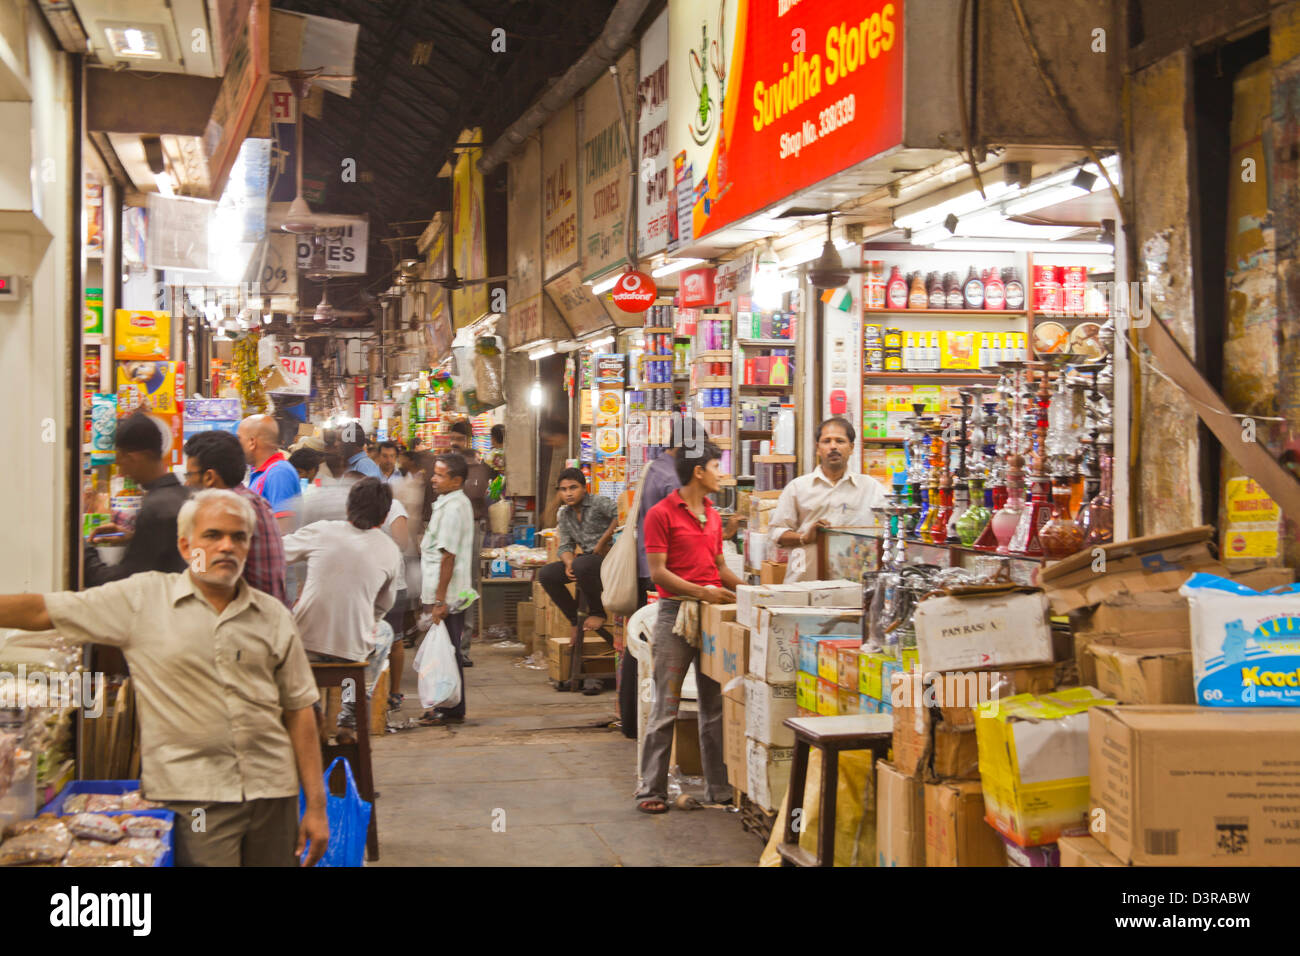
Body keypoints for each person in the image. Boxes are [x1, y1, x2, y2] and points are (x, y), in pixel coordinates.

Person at [0, 489, 328, 866]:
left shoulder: (273, 616)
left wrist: (315, 807)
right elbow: (44, 611)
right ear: (186, 547)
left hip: (274, 794)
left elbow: (300, 710)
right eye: (213, 535)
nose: (227, 546)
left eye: (239, 537)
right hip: (197, 800)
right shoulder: (143, 600)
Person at [635, 440, 744, 814]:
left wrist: (752, 593)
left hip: (710, 616)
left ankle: (720, 789)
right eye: (716, 466)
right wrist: (705, 592)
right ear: (699, 472)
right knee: (666, 705)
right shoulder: (661, 514)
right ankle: (651, 789)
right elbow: (659, 572)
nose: (721, 474)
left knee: (714, 706)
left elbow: (721, 568)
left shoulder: (712, 515)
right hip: (674, 615)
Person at [282, 477, 403, 745]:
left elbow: (278, 551)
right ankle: (348, 721)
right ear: (383, 519)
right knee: (382, 633)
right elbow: (384, 604)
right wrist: (364, 622)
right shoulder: (390, 550)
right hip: (352, 651)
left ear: (348, 508)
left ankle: (314, 715)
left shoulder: (321, 531)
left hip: (305, 645)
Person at [768, 416, 889, 582]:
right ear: (818, 448)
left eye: (840, 441)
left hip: (853, 587)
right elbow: (775, 533)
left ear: (851, 447)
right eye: (827, 441)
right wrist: (804, 537)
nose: (833, 446)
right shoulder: (798, 487)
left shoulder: (870, 487)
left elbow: (892, 526)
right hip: (805, 585)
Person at [184, 430, 289, 608]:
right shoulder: (255, 501)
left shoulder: (224, 510)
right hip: (270, 620)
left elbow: (202, 578)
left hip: (247, 624)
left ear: (209, 477)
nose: (187, 484)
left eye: (189, 476)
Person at [536, 468, 619, 693]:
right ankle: (575, 620)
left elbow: (621, 515)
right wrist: (568, 562)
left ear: (584, 488)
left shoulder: (599, 502)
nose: (569, 493)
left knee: (583, 564)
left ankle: (598, 612)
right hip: (586, 564)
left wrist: (604, 541)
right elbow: (564, 545)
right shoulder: (564, 514)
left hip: (610, 560)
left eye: (573, 488)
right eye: (563, 490)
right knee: (548, 574)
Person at [85, 412, 190, 585]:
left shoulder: (155, 507)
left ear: (134, 458)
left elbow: (127, 581)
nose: (122, 472)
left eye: (121, 463)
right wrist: (133, 538)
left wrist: (86, 554)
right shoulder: (184, 495)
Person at [418, 453, 478, 726]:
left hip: (449, 593)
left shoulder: (454, 508)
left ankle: (449, 706)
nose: (434, 478)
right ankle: (449, 705)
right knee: (447, 649)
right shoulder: (449, 502)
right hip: (446, 591)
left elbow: (448, 557)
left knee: (447, 651)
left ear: (457, 480)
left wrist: (440, 600)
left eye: (440, 475)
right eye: (435, 473)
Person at [446, 420, 491, 666]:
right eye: (452, 438)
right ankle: (446, 645)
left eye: (460, 439)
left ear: (468, 440)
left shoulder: (478, 468)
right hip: (446, 528)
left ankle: (463, 647)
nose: (455, 443)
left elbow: (479, 496)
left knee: (468, 584)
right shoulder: (442, 465)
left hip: (471, 528)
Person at [238, 414, 299, 532]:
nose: (237, 445)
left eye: (239, 438)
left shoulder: (279, 473)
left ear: (252, 442)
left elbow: (284, 531)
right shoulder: (264, 472)